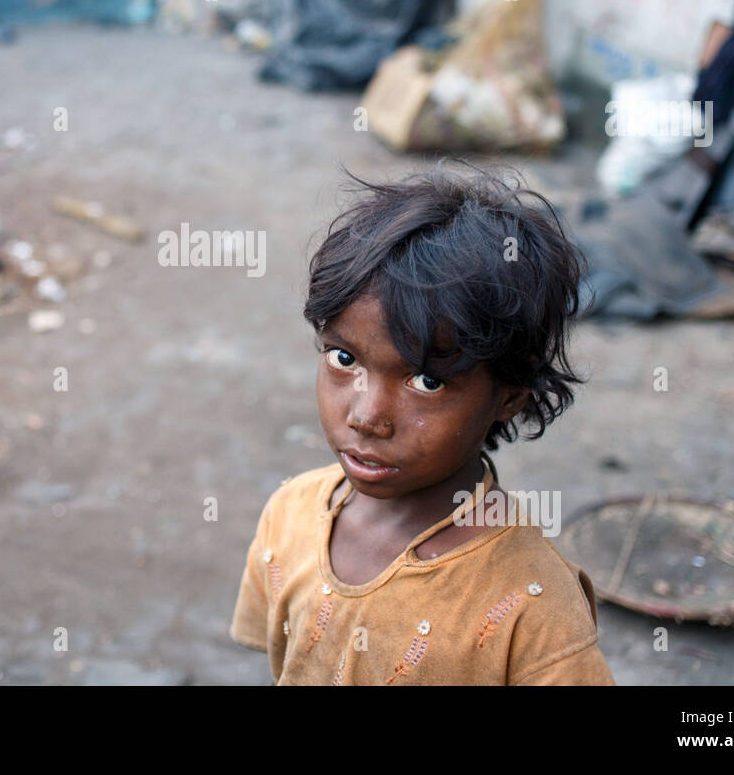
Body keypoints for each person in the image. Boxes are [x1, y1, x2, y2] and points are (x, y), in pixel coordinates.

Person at [230, 162, 615, 685]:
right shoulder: (290, 516)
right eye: (344, 359)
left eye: (427, 383)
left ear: (508, 397)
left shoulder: (532, 605)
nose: (367, 416)